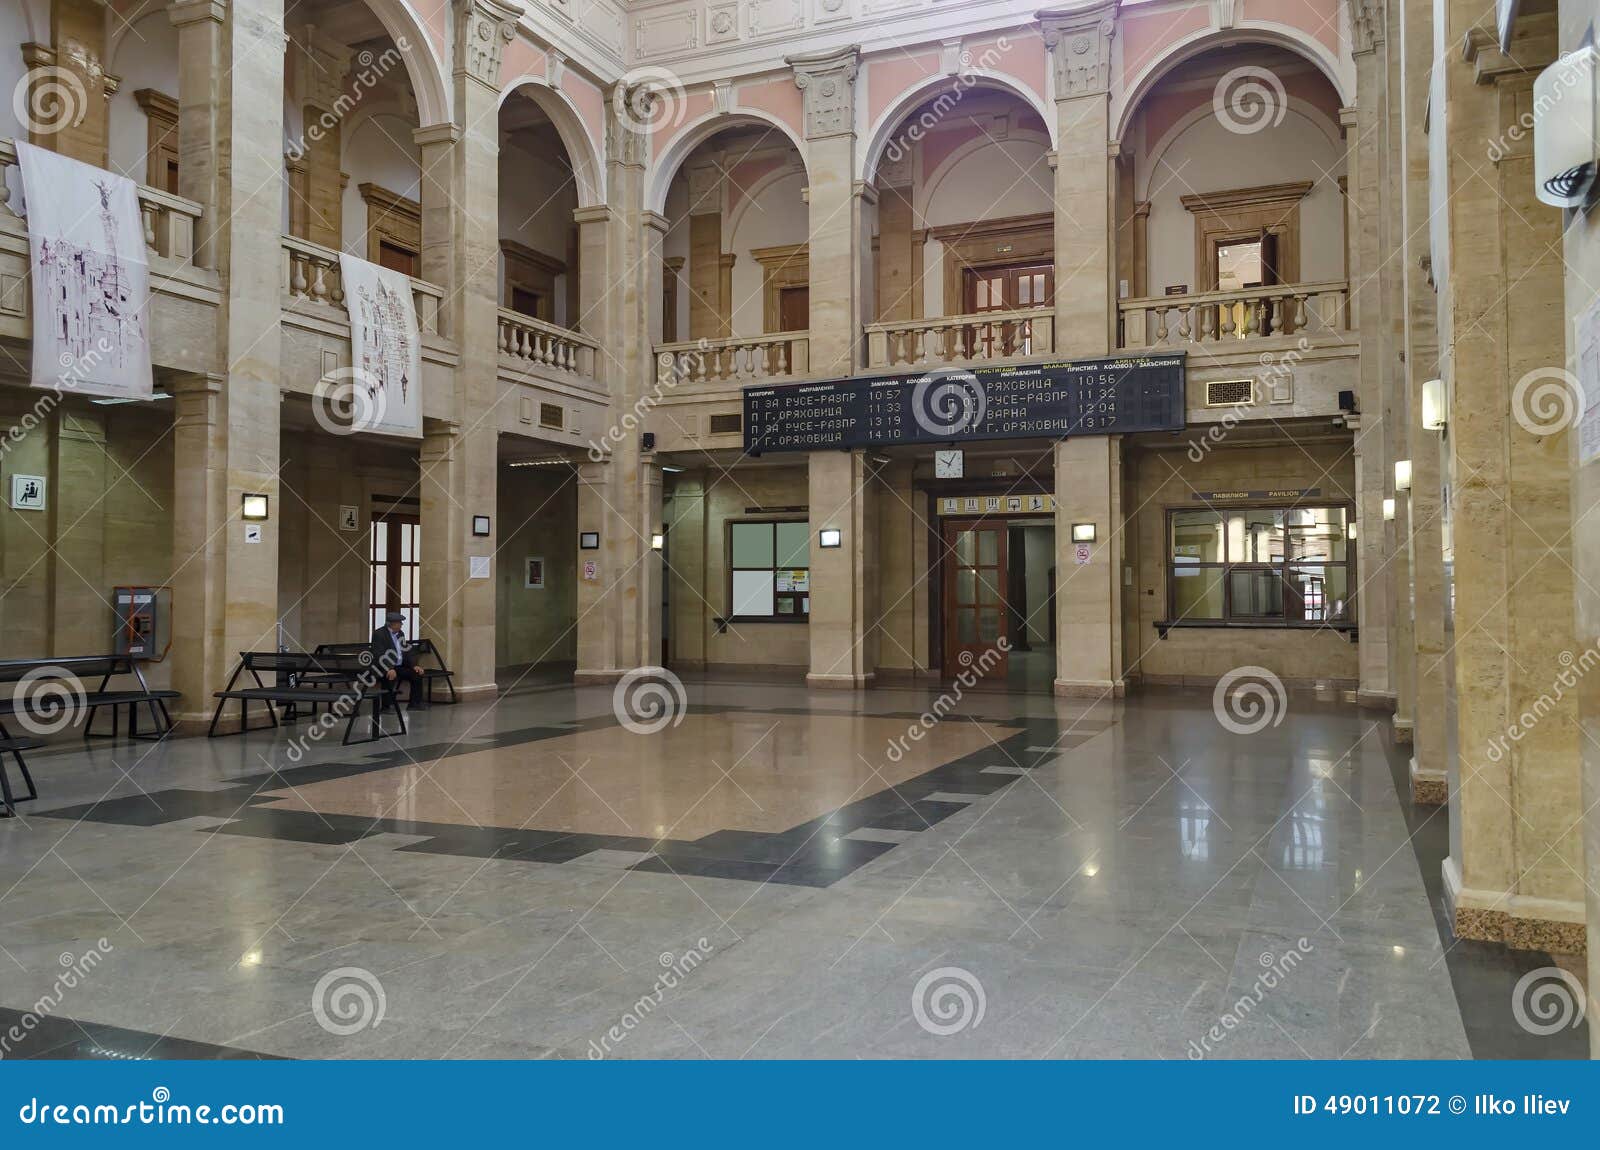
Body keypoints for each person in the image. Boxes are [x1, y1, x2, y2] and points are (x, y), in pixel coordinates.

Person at [369, 611, 429, 710]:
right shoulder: (379, 634)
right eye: (399, 622)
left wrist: (414, 665)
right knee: (390, 675)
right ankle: (387, 706)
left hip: (399, 666)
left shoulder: (400, 633)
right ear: (391, 624)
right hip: (383, 667)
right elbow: (379, 654)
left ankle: (415, 704)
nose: (401, 625)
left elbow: (406, 651)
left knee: (416, 674)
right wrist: (389, 668)